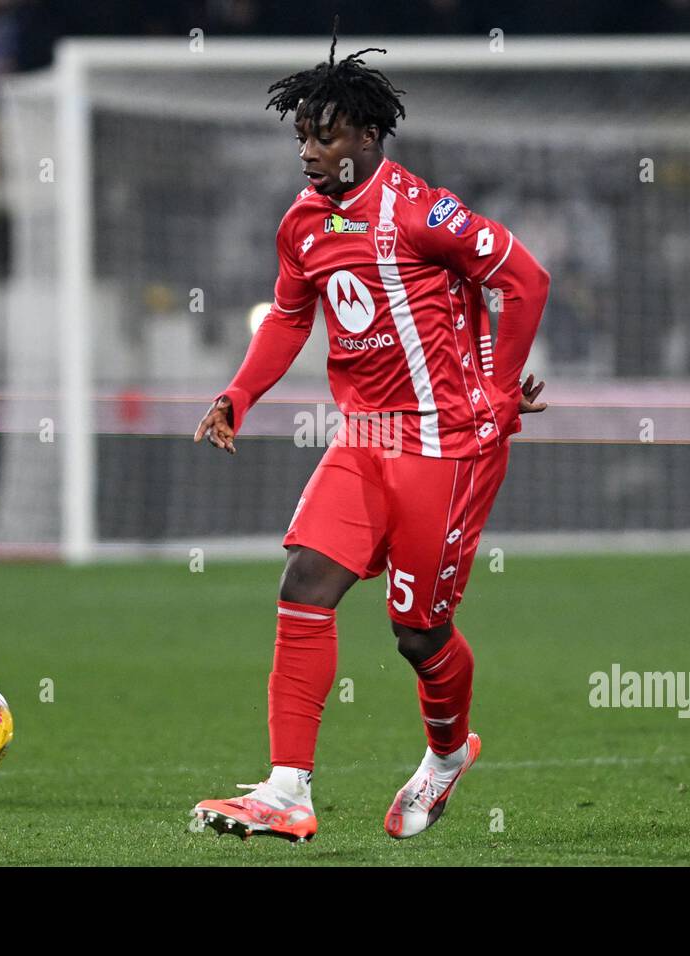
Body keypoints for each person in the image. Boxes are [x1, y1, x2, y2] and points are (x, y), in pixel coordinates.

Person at [190, 29, 550, 843]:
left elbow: (524, 280)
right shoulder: (304, 224)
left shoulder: (424, 212)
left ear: (368, 135)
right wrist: (239, 393)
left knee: (417, 633)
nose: (309, 152)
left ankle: (448, 756)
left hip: (446, 445)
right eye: (301, 137)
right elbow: (288, 317)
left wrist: (495, 390)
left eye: (324, 135)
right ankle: (287, 792)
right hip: (363, 438)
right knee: (304, 584)